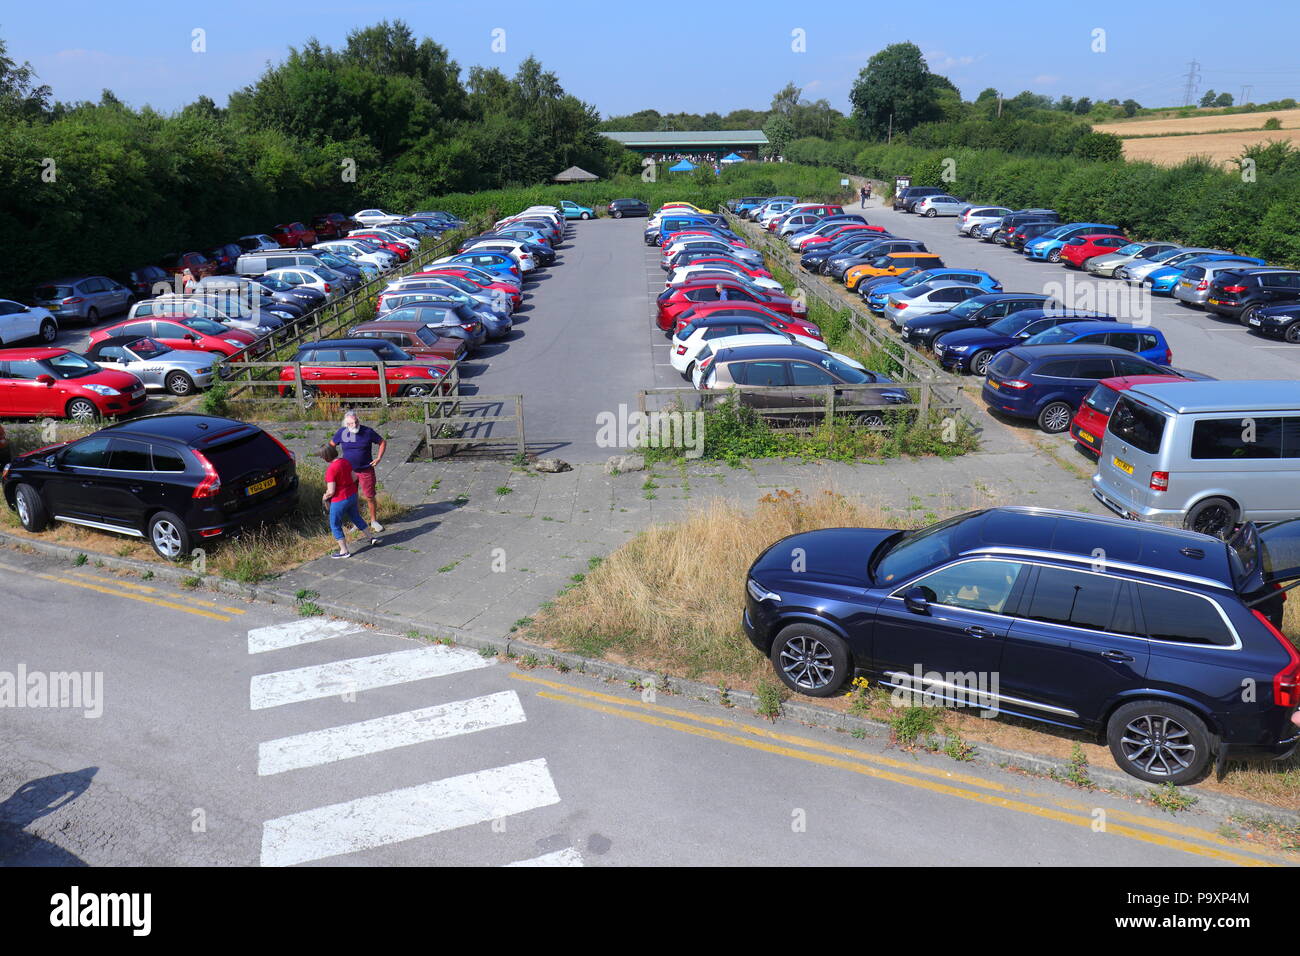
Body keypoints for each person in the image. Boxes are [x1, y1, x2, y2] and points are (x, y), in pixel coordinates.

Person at [319, 443, 380, 558]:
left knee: (335, 524)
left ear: (326, 456)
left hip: (339, 500)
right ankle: (371, 538)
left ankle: (344, 551)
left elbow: (331, 491)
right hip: (352, 495)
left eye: (322, 456)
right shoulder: (345, 461)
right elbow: (355, 477)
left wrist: (325, 496)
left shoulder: (331, 469)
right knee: (356, 517)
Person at [330, 409, 387, 532]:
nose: (354, 425)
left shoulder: (367, 431)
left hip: (365, 470)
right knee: (352, 497)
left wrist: (378, 458)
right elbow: (331, 446)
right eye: (350, 424)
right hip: (348, 472)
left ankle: (373, 521)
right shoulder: (342, 432)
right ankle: (358, 522)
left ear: (358, 421)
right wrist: (335, 461)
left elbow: (382, 442)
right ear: (346, 424)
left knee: (369, 496)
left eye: (356, 422)